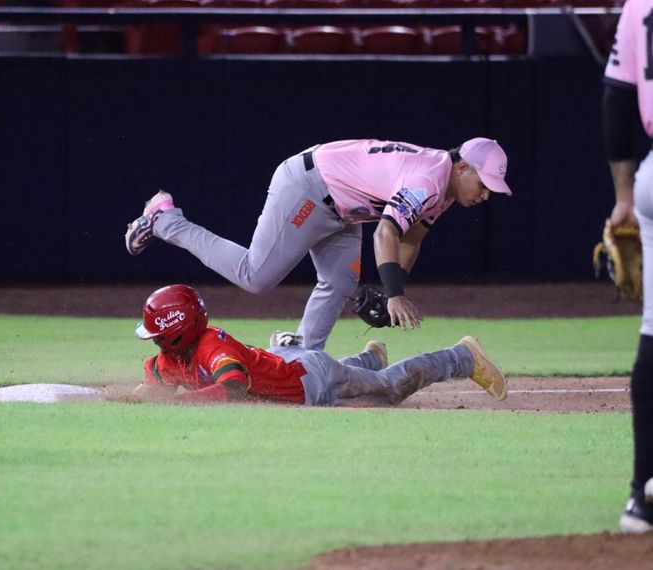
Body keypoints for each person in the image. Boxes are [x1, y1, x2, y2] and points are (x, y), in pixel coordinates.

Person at [125, 137, 512, 351]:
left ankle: (301, 358)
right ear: (463, 166)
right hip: (310, 188)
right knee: (255, 275)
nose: (485, 195)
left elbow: (412, 237)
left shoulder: (443, 187)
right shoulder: (429, 179)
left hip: (345, 207)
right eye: (483, 184)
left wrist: (384, 287)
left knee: (340, 284)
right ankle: (166, 220)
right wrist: (394, 295)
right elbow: (386, 234)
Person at [130, 284, 507, 407]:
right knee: (351, 372)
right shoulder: (175, 355)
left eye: (159, 334)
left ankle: (461, 357)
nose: (157, 342)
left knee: (391, 390)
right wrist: (143, 395)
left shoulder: (211, 346)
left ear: (177, 332)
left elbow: (233, 386)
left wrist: (179, 402)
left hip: (311, 377)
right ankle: (368, 359)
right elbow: (154, 381)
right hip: (284, 359)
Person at [602, 0, 653, 533]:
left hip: (651, 178)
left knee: (652, 330)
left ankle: (642, 498)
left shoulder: (638, 5)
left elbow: (616, 101)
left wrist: (623, 197)